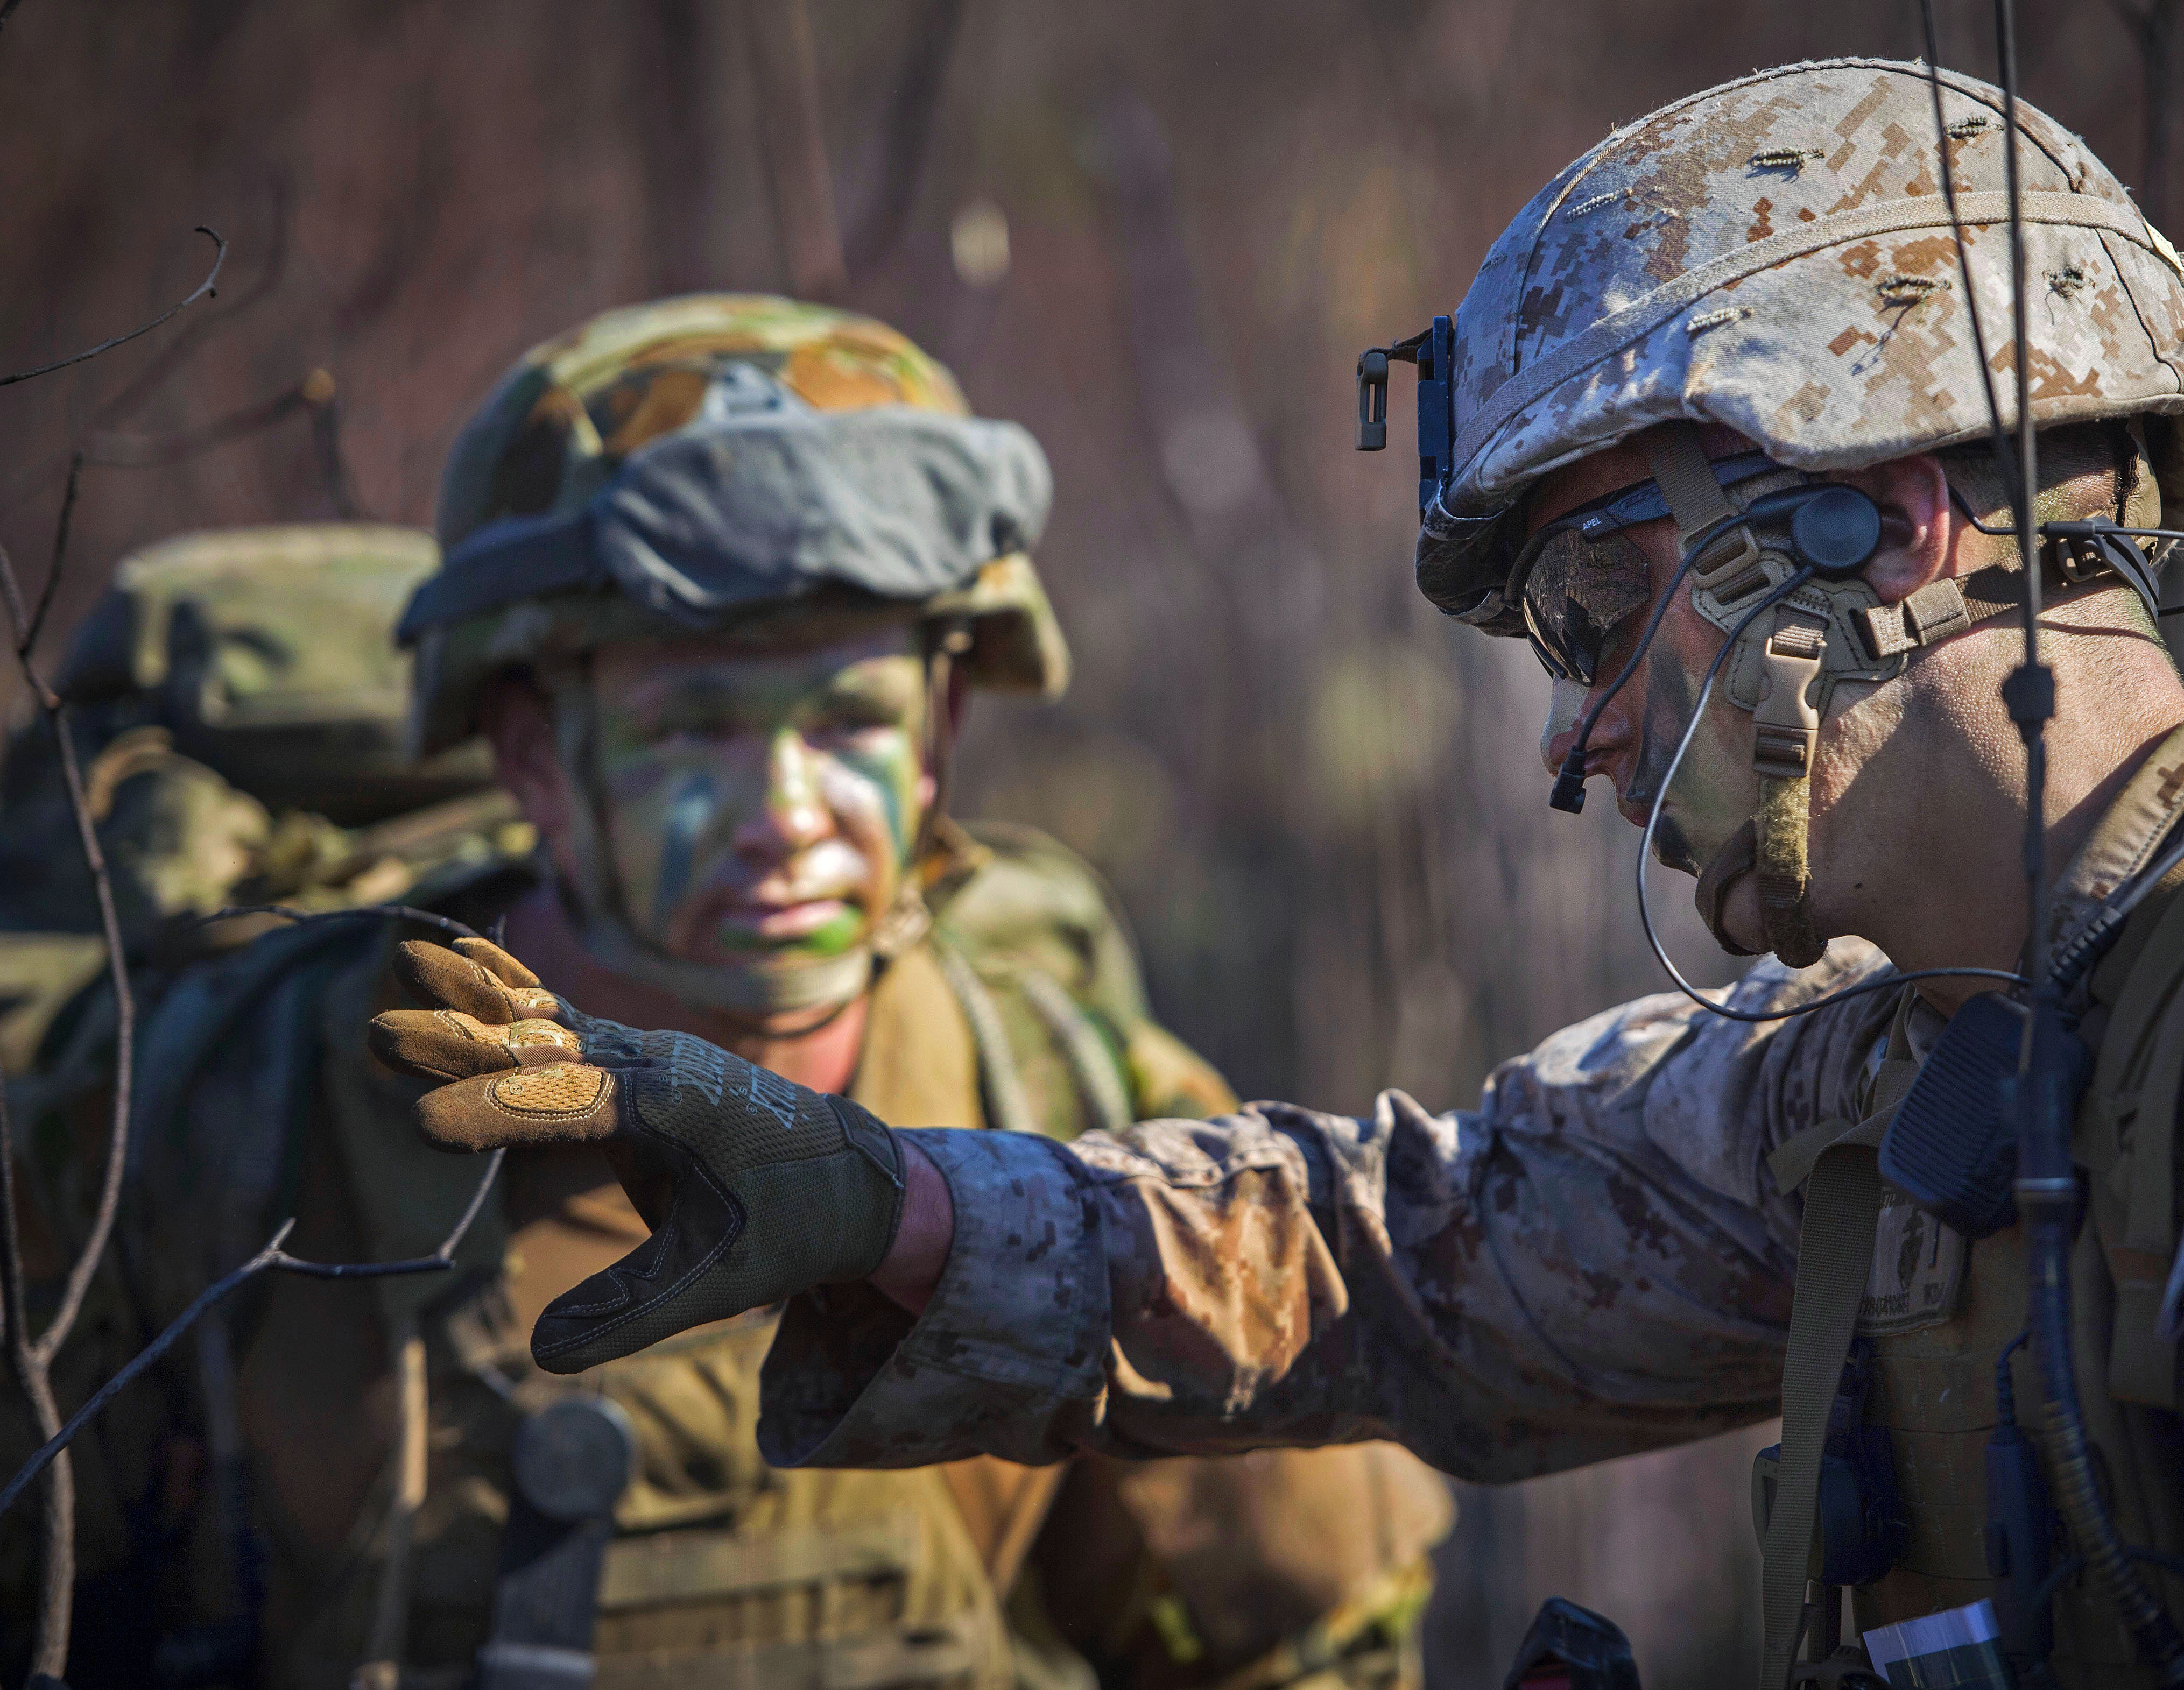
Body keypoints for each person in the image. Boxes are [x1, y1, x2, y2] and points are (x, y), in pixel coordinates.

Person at [372, 65, 2184, 1690]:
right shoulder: (1921, 1057)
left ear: (1880, 523)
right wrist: (895, 1208)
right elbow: (1411, 1241)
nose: (1573, 738)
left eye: (1599, 610)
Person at [3, 300, 1448, 1690]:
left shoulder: (1067, 1104)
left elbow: (1297, 1647)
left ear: (942, 732)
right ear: (530, 756)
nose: (788, 814)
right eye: (693, 728)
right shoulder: (230, 1115)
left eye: (850, 722)